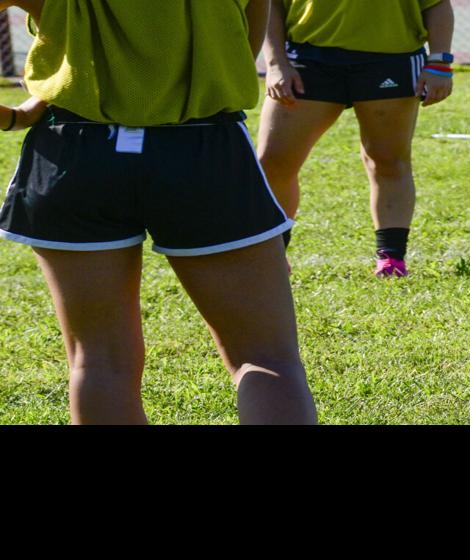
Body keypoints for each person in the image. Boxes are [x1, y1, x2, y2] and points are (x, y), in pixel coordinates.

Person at [0, 0, 316, 425]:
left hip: (73, 150)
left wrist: (18, 112)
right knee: (266, 359)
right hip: (204, 145)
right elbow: (244, 43)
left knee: (98, 362)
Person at [257, 0, 456, 277]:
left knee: (387, 160)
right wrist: (276, 62)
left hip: (391, 58)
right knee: (273, 162)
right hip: (307, 59)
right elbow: (269, 5)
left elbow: (436, 5)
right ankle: (271, 256)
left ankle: (391, 259)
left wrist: (439, 61)